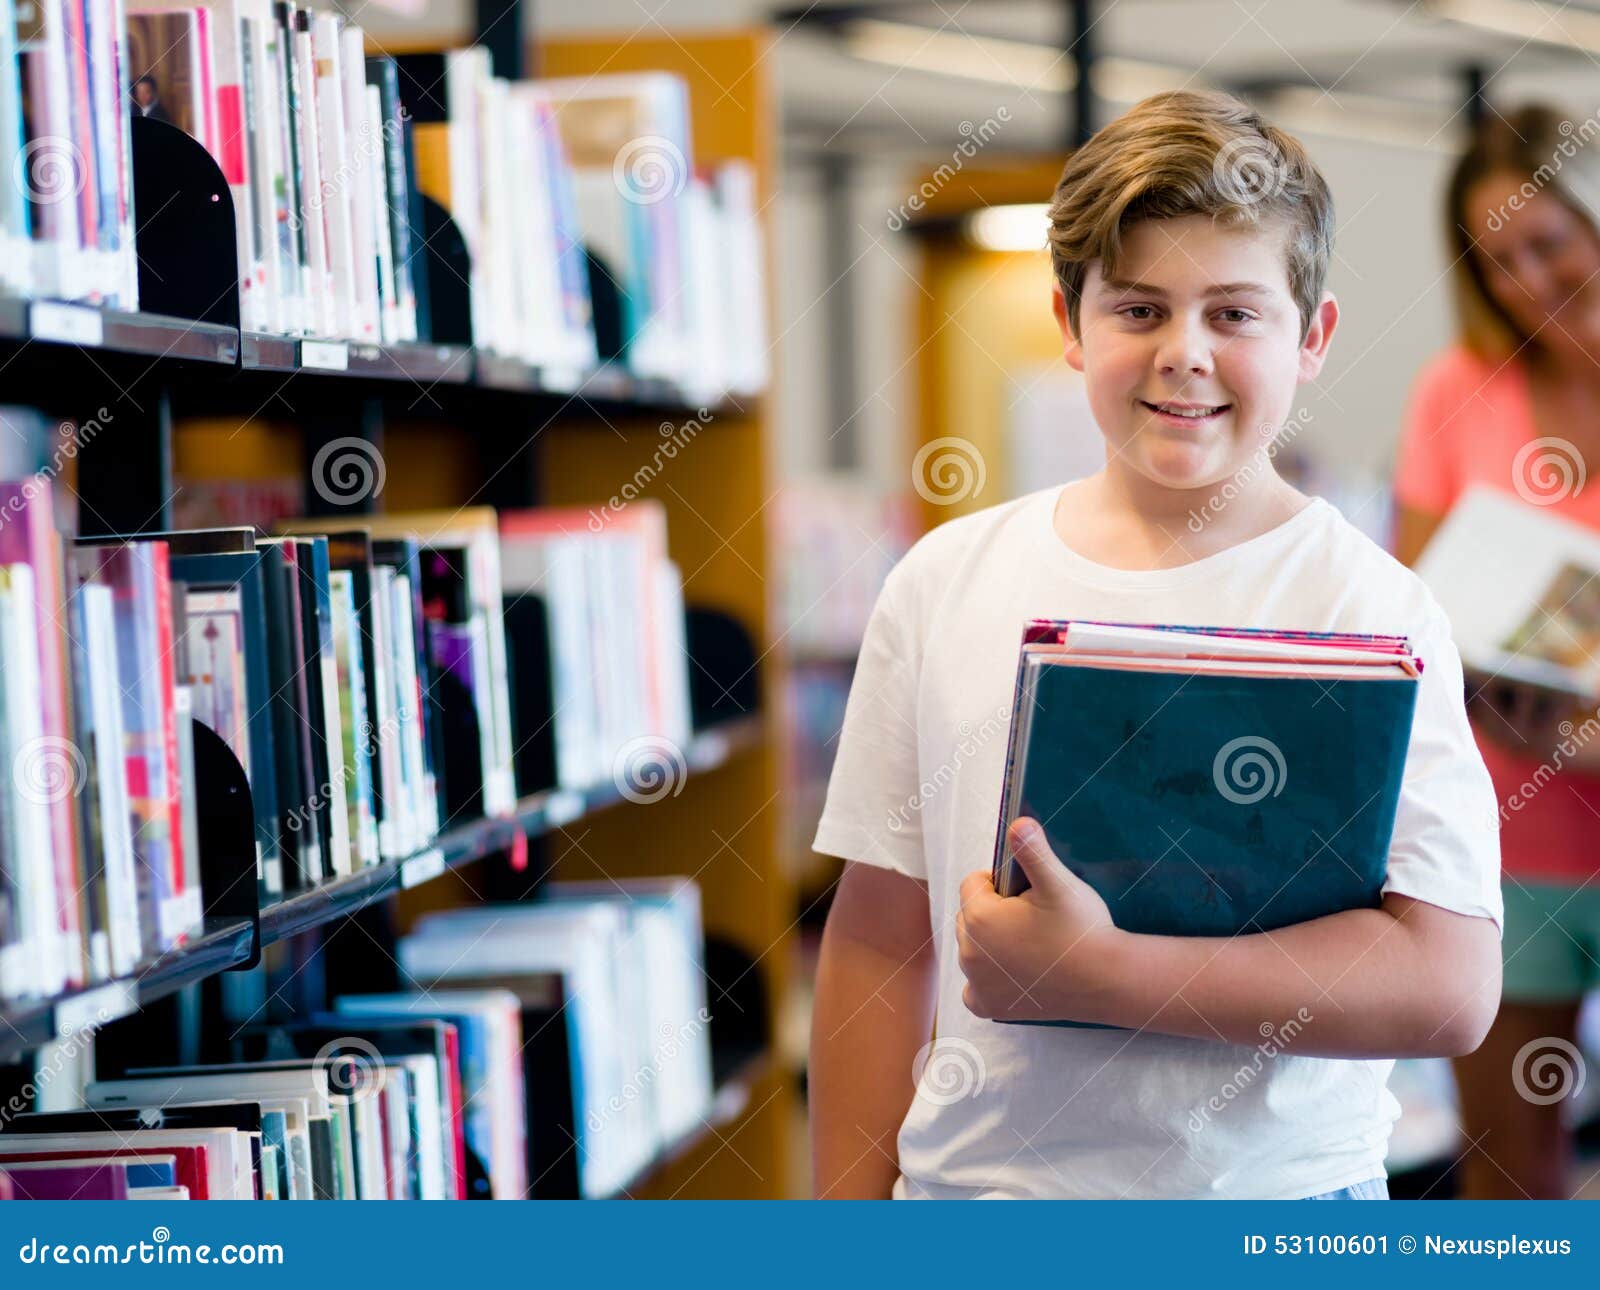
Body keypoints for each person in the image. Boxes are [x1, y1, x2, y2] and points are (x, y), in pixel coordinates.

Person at [808, 90, 1503, 1201]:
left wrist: (1104, 974)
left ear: (1310, 337)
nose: (1184, 354)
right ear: (1070, 321)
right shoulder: (945, 583)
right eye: (1138, 310)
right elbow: (879, 941)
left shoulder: (1374, 610)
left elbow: (1447, 986)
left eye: (1234, 314)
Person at [1394, 103, 1600, 1200]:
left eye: (1548, 243)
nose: (1525, 279)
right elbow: (1419, 611)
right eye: (1496, 258)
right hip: (1507, 837)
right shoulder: (1454, 390)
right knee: (1509, 1177)